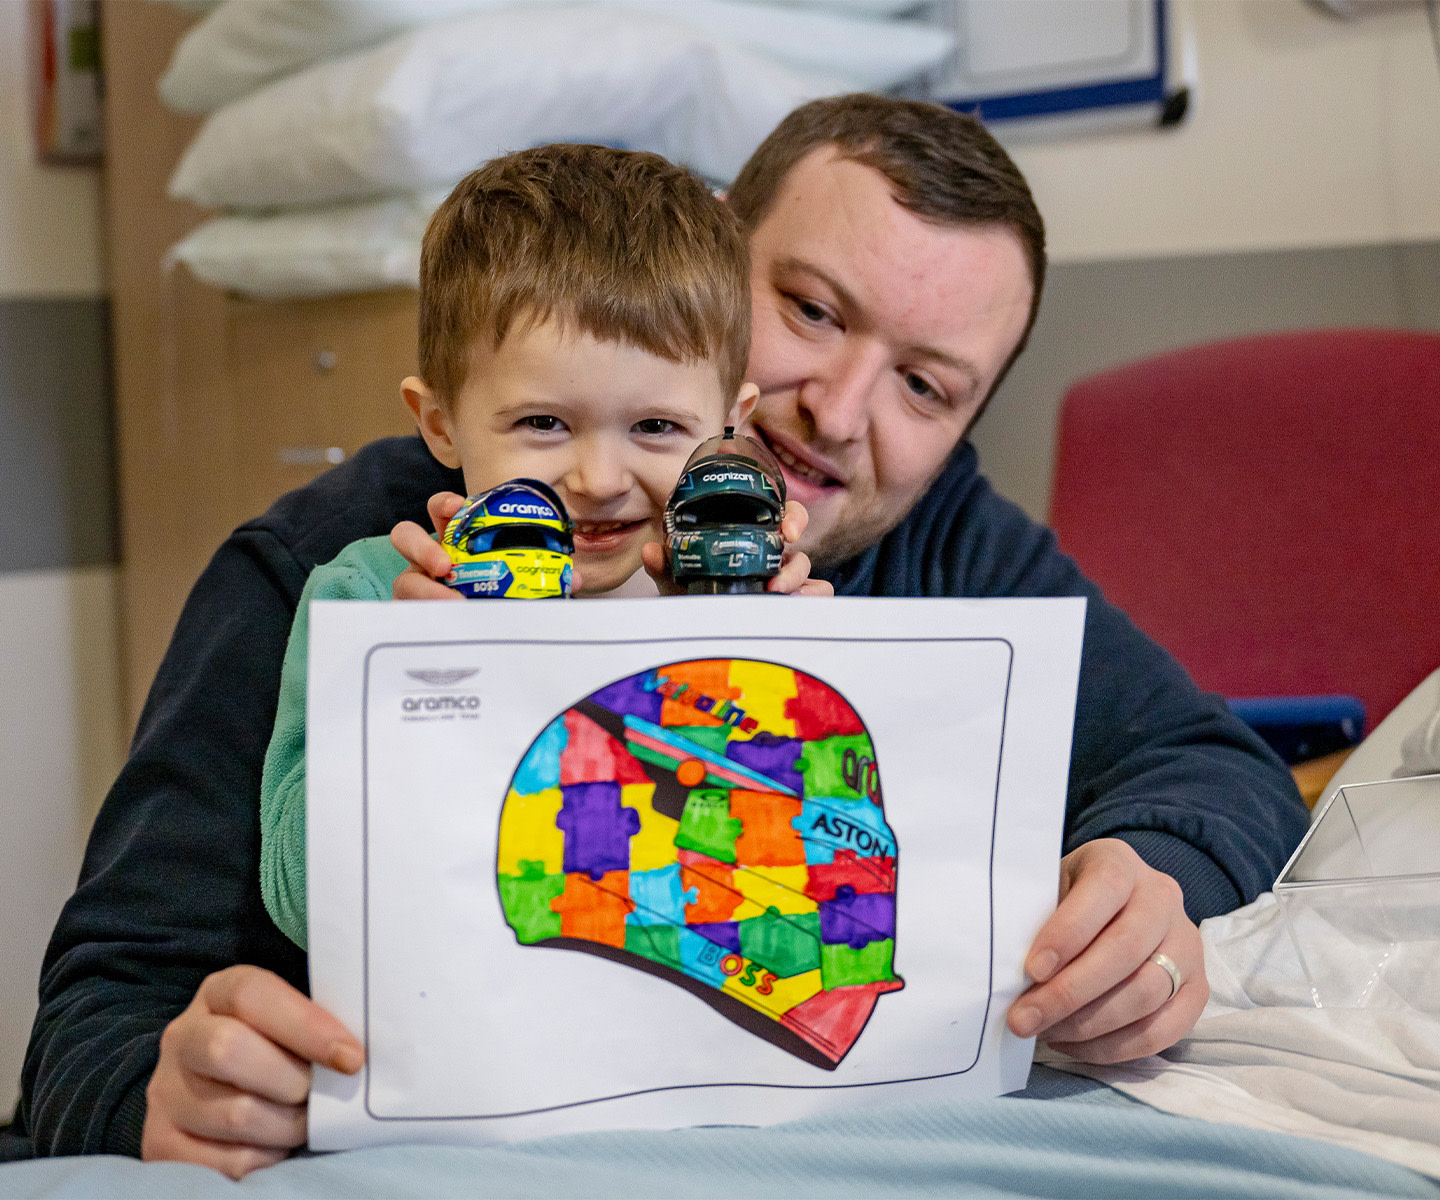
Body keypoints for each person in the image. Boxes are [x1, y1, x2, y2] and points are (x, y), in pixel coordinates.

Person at [16, 95, 1309, 1178]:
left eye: (924, 386)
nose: (835, 410)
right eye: (811, 308)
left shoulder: (948, 544)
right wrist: (163, 1094)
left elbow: (1214, 767)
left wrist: (1143, 890)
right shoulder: (342, 567)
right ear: (702, 266)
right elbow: (95, 1022)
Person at [257, 143, 825, 951]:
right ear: (440, 424)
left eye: (655, 426)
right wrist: (424, 678)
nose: (599, 479)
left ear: (730, 425)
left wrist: (769, 660)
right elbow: (303, 905)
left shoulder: (754, 603)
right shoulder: (374, 598)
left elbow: (794, 891)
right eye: (543, 423)